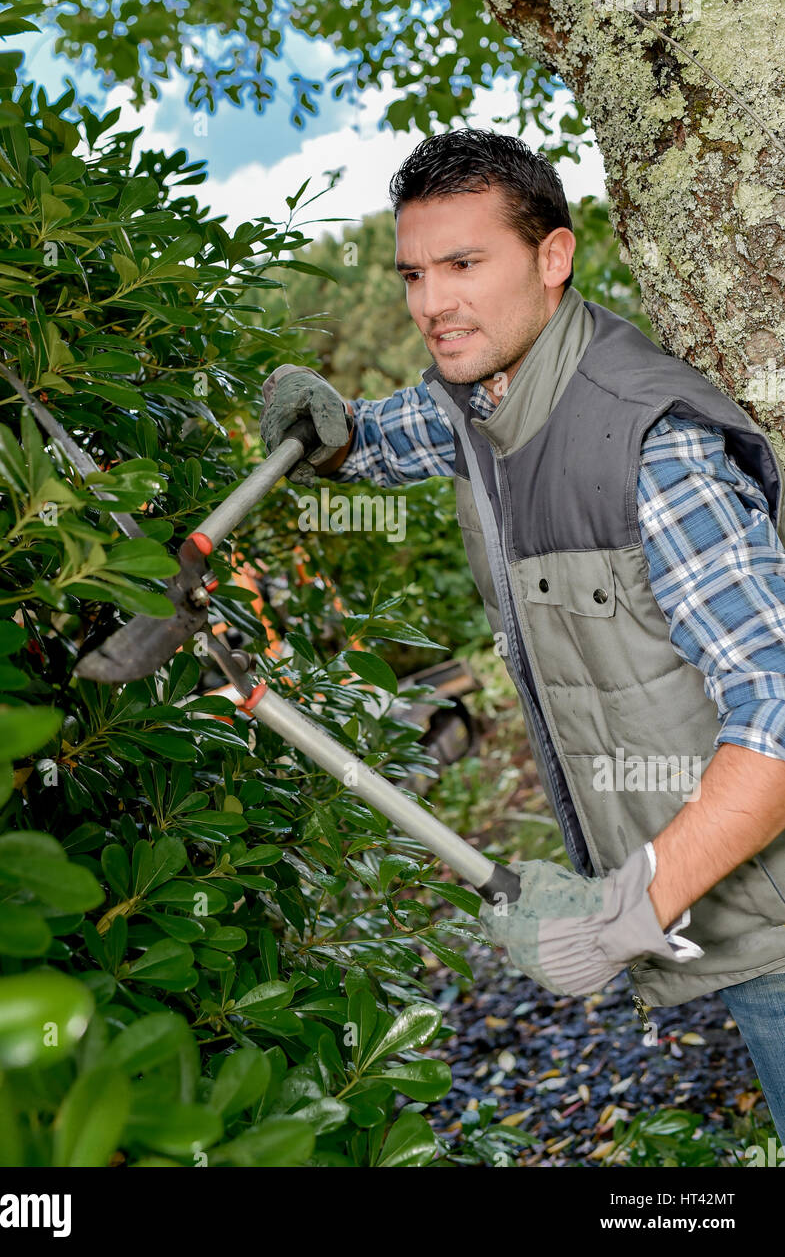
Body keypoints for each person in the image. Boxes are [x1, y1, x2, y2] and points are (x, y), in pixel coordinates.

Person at [259, 128, 785, 1142]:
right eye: (414, 273)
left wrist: (623, 912)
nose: (430, 303)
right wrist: (313, 431)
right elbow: (371, 443)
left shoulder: (649, 441)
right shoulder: (476, 403)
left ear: (552, 257)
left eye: (464, 264)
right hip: (725, 908)